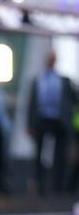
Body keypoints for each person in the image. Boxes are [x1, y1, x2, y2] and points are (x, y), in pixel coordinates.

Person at [27, 52, 75, 197]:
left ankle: (57, 187)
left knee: (59, 155)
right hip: (41, 120)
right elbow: (32, 104)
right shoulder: (38, 79)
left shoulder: (64, 80)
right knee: (39, 155)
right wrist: (29, 125)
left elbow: (73, 99)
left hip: (59, 121)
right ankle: (40, 186)